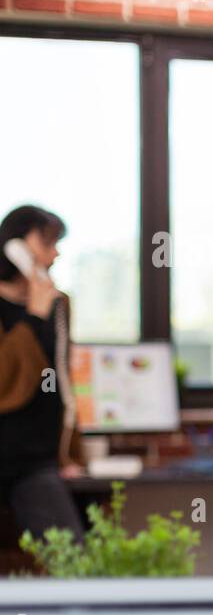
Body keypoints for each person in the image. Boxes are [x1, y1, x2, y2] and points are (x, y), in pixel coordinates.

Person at [0, 204, 83, 539]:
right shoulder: (36, 308)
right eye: (47, 243)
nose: (55, 253)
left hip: (36, 463)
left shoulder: (57, 304)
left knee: (73, 559)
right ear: (14, 246)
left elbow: (62, 382)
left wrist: (68, 455)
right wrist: (32, 317)